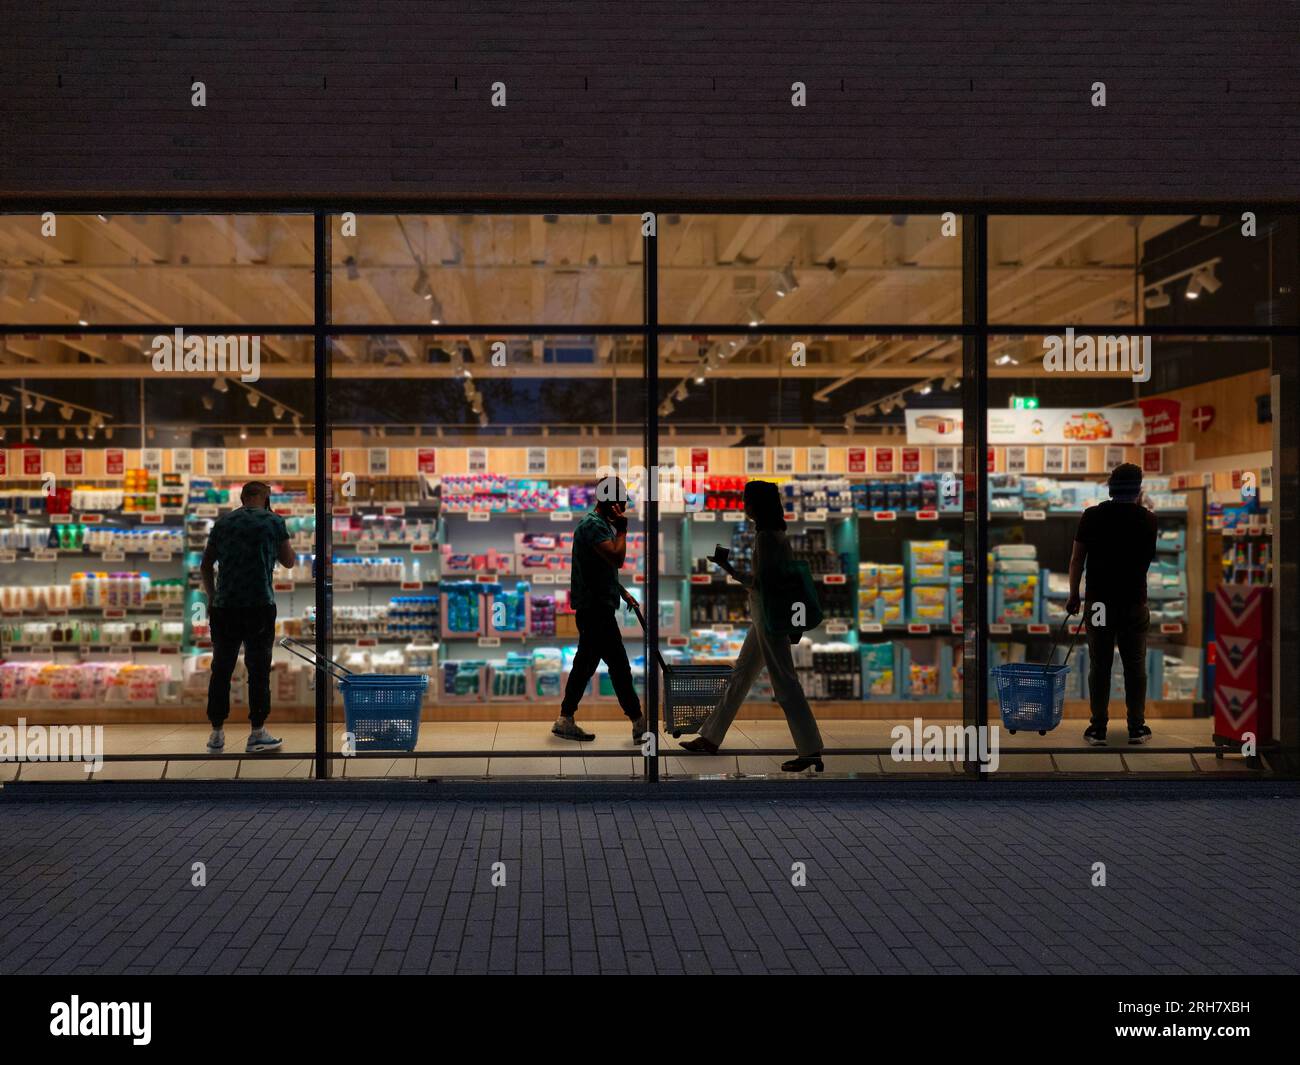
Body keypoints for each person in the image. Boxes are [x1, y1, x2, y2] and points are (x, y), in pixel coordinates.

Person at [680, 480, 825, 772]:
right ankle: (710, 737)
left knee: (785, 682)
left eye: (747, 499)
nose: (744, 504)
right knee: (741, 676)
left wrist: (731, 571)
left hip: (770, 618)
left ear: (758, 504)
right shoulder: (775, 533)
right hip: (766, 617)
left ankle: (810, 750)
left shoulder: (765, 538)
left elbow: (764, 583)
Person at [200, 481, 297, 754]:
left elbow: (206, 565)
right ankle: (257, 733)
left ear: (242, 498)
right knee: (257, 670)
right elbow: (288, 561)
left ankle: (216, 734)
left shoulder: (223, 523)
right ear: (266, 499)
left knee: (221, 669)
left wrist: (212, 596)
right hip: (259, 606)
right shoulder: (273, 521)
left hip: (225, 607)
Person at [1065, 462, 1156, 746]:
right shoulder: (1148, 519)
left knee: (1100, 663)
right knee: (1135, 665)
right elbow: (1145, 561)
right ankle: (1136, 728)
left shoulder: (1092, 516)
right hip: (1133, 601)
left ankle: (1098, 728)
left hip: (1100, 603)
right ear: (1138, 489)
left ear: (1110, 487)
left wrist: (1073, 595)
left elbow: (1077, 559)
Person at [554, 475, 649, 744]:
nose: (624, 508)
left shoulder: (600, 525)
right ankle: (638, 723)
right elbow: (617, 558)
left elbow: (602, 570)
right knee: (619, 665)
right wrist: (623, 530)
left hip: (597, 606)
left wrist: (622, 592)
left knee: (585, 664)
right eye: (620, 502)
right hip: (595, 610)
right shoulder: (593, 527)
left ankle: (565, 718)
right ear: (608, 502)